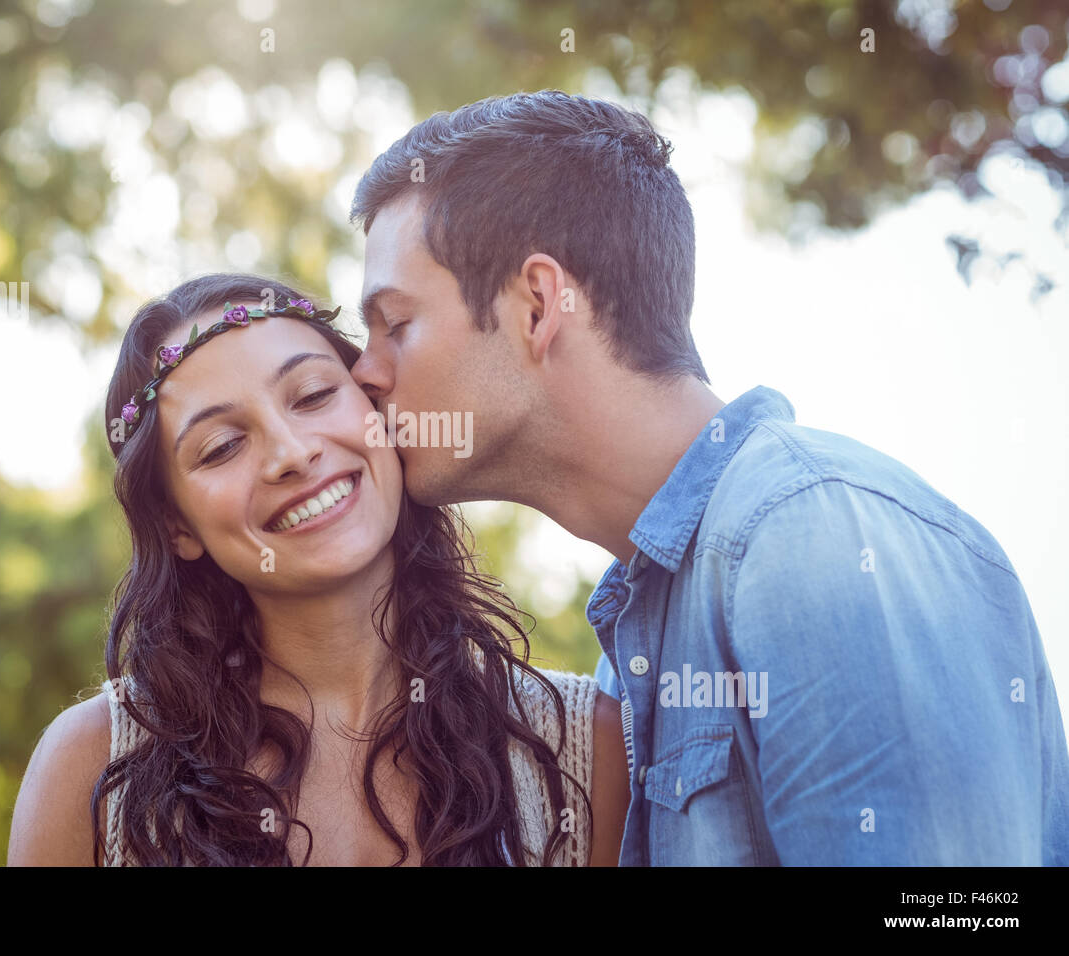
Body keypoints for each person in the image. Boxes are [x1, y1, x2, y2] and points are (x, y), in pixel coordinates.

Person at [346, 89, 1069, 865]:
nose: (365, 373)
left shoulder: (809, 534)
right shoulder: (639, 639)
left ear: (536, 306)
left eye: (397, 325)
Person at [6, 273, 630, 866]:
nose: (292, 453)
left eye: (313, 395)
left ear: (376, 408)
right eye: (222, 446)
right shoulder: (92, 767)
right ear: (177, 526)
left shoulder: (584, 750)